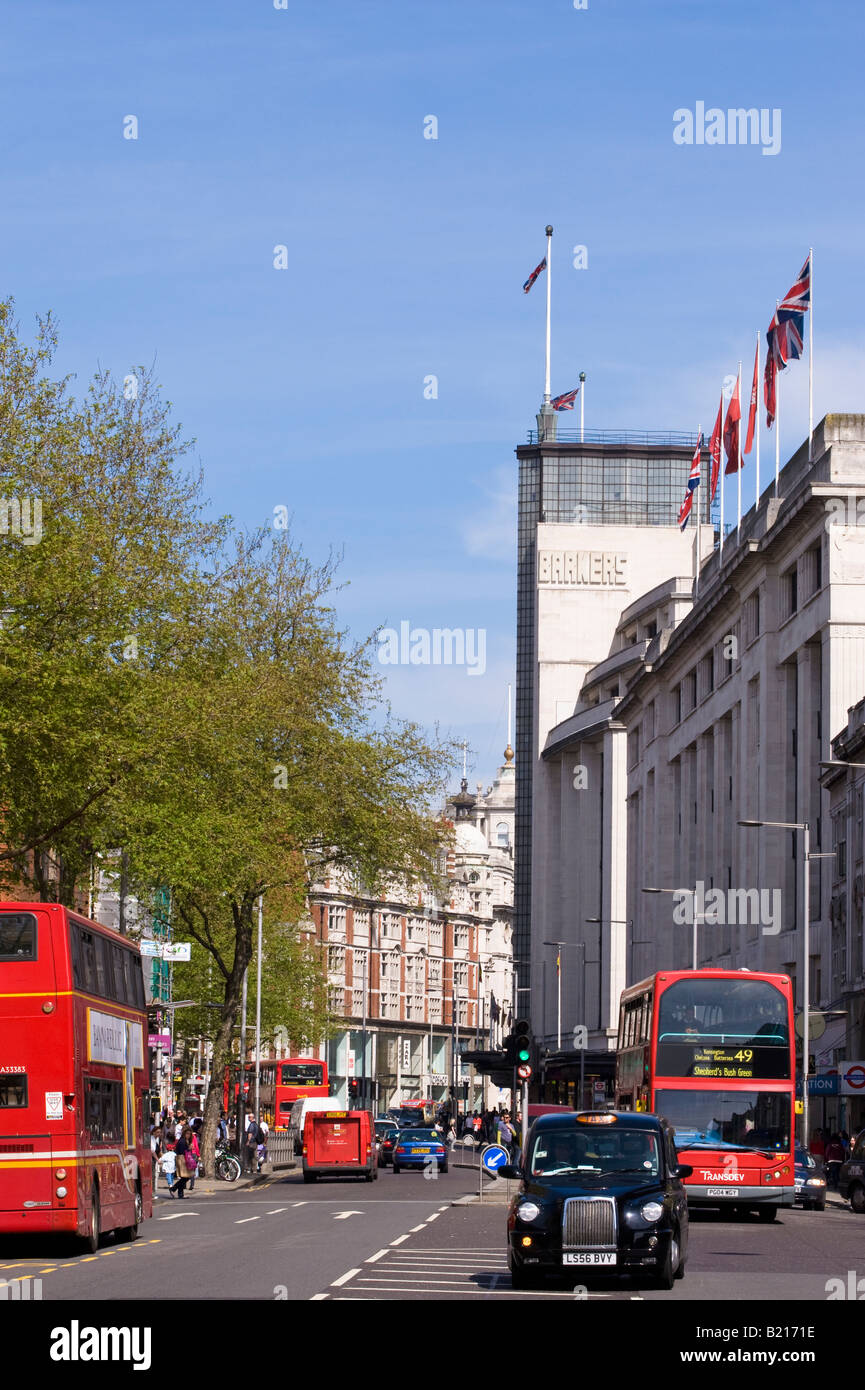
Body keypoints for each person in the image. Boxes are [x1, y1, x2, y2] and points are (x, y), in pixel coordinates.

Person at [171, 1126, 197, 1198]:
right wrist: (189, 1148)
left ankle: (180, 1193)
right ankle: (174, 1188)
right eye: (187, 1134)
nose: (188, 1135)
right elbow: (182, 1152)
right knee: (185, 1177)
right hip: (182, 1160)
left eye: (189, 1134)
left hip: (185, 1159)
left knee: (185, 1177)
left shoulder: (186, 1140)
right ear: (184, 1133)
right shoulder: (182, 1141)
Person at [150, 1125, 163, 1201]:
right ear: (153, 1132)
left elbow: (158, 1151)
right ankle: (152, 1193)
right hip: (151, 1160)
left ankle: (152, 1193)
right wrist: (157, 1159)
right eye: (157, 1132)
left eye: (160, 1132)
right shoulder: (151, 1139)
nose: (159, 1134)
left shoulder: (156, 1140)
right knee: (152, 1177)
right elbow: (152, 1151)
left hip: (153, 1160)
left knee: (153, 1176)